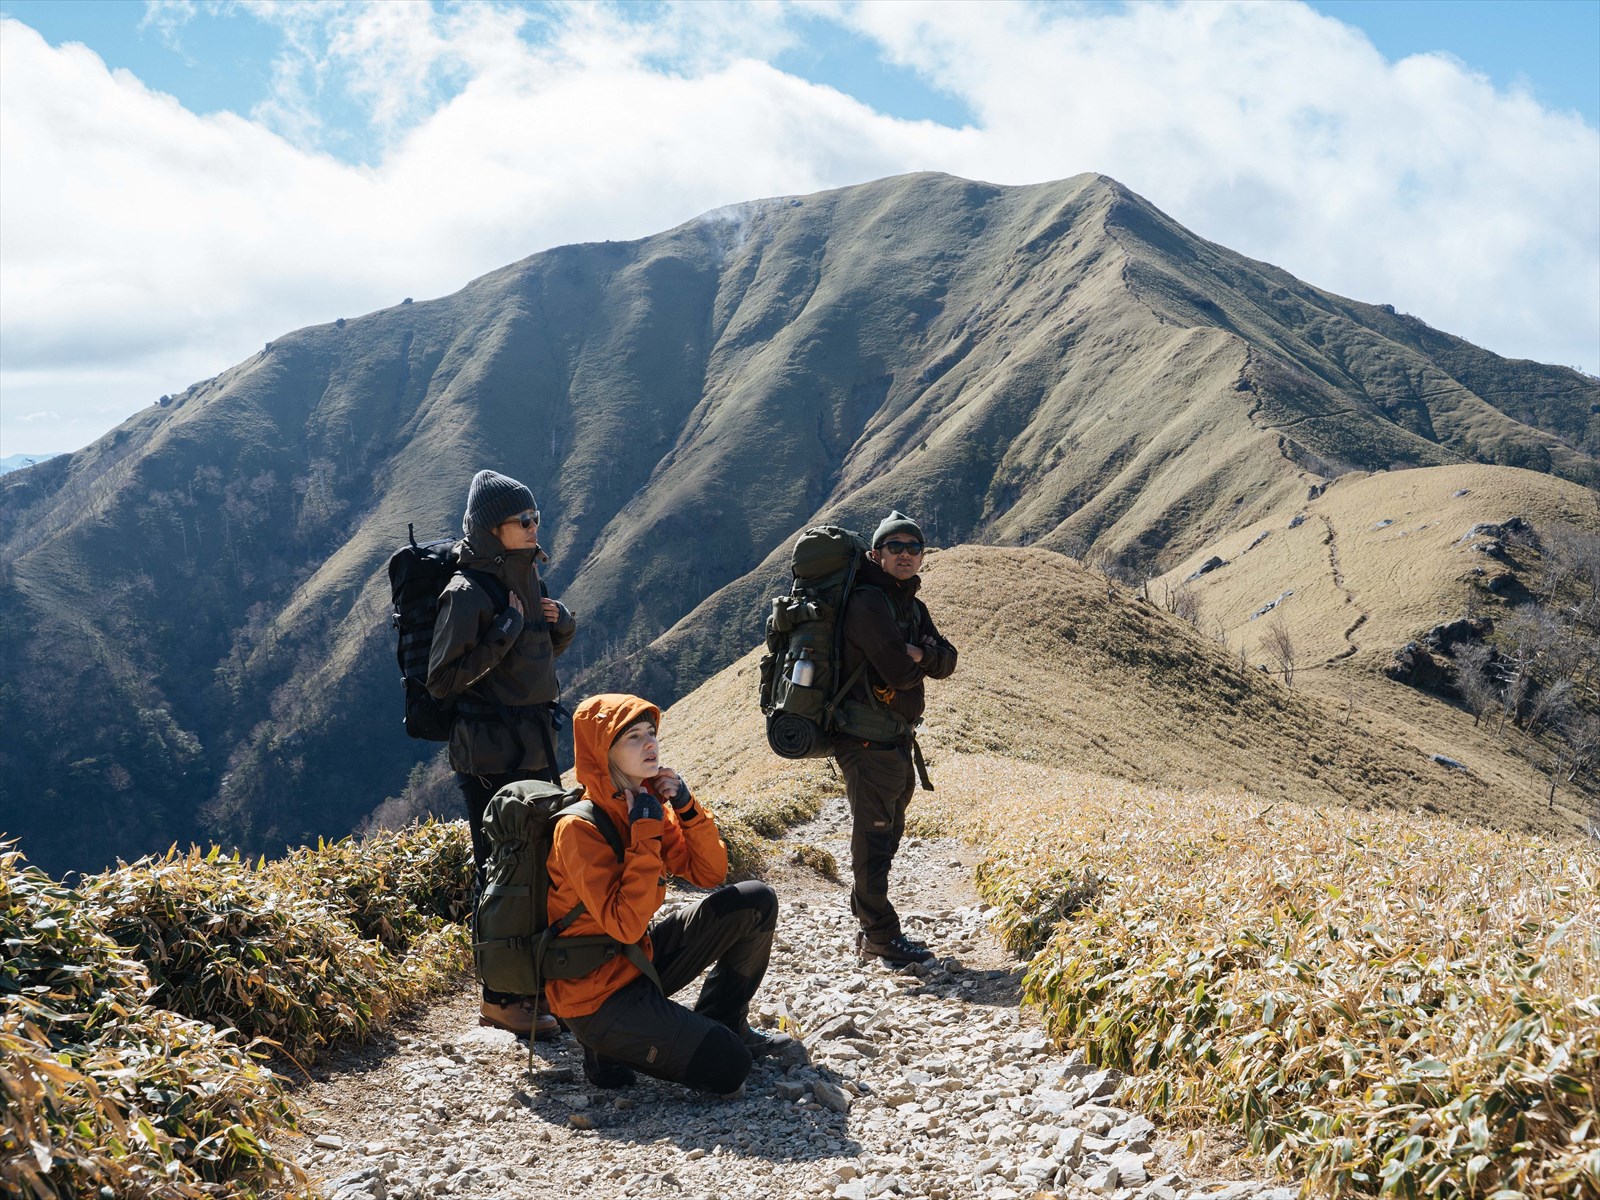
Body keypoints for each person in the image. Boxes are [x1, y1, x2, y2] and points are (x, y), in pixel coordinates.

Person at [546, 693, 784, 1095]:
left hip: (635, 963)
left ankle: (724, 1020)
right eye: (634, 737)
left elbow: (709, 872)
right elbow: (624, 924)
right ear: (604, 751)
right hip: (595, 996)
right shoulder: (578, 829)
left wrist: (686, 807)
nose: (651, 744)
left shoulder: (643, 802)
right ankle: (603, 1044)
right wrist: (643, 832)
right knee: (729, 1066)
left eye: (652, 733)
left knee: (754, 901)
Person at [427, 468, 576, 1040]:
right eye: (526, 521)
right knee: (501, 871)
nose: (537, 527)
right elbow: (443, 680)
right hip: (489, 755)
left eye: (536, 517)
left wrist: (559, 623)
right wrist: (506, 628)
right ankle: (500, 997)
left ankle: (535, 986)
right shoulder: (467, 593)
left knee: (542, 865)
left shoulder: (525, 578)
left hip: (535, 744)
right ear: (496, 529)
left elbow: (537, 657)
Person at [834, 510, 958, 966]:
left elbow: (949, 661)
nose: (905, 554)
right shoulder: (869, 603)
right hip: (867, 740)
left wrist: (919, 651)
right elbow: (903, 675)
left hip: (893, 740)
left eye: (913, 547)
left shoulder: (911, 605)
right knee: (874, 840)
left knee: (885, 837)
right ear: (876, 554)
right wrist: (920, 656)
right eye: (895, 547)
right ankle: (880, 935)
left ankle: (871, 927)